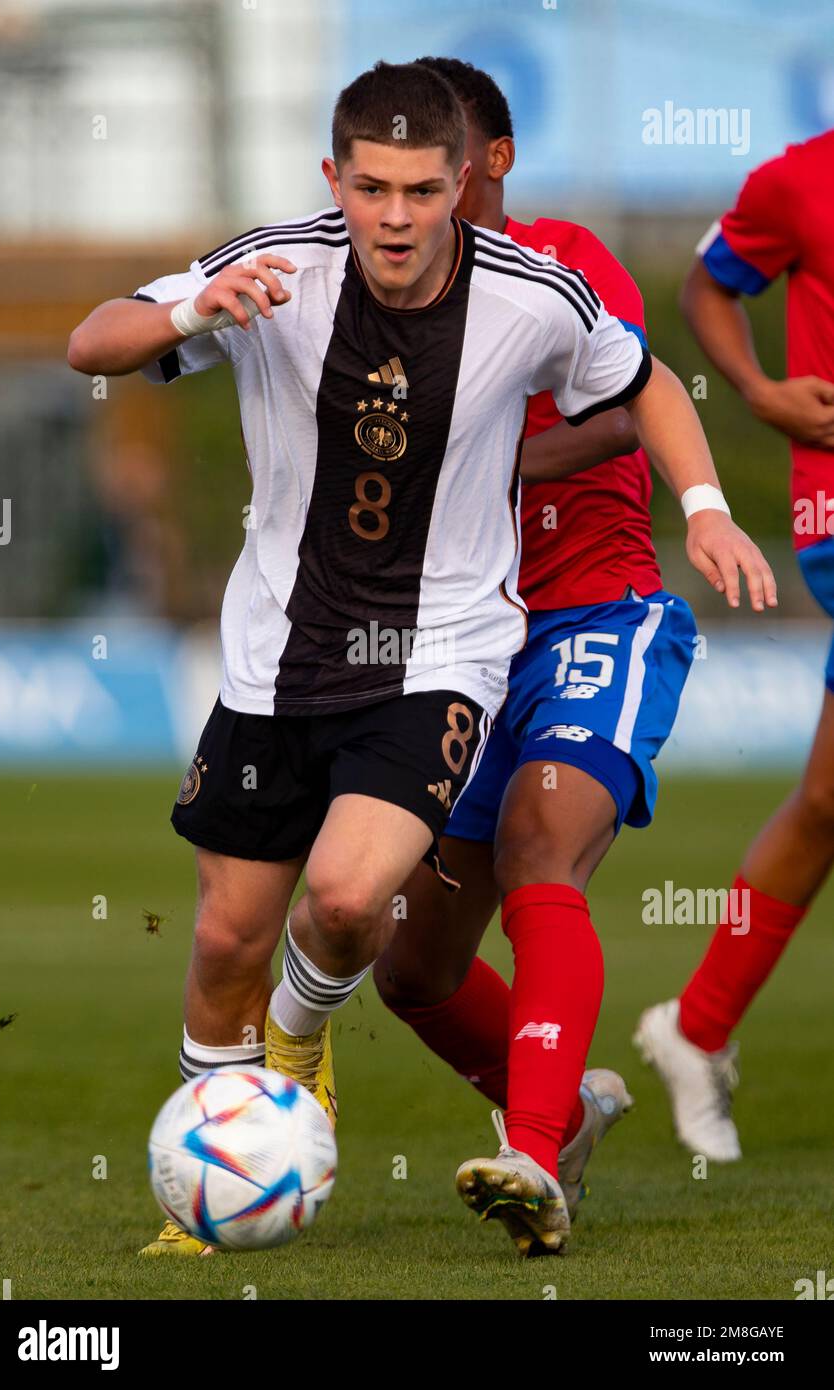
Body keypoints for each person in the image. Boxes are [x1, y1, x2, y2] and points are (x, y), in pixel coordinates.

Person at [67, 59, 771, 1259]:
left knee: (346, 900)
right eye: (372, 187)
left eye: (420, 189)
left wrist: (703, 504)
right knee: (227, 939)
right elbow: (94, 343)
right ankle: (211, 1179)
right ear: (333, 177)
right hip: (273, 654)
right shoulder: (276, 263)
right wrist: (193, 310)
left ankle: (298, 1050)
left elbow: (646, 384)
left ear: (465, 183)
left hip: (439, 653)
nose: (394, 215)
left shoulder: (529, 292)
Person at [372, 57, 778, 1257]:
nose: (417, 196)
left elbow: (621, 405)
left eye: (442, 160)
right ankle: (574, 1103)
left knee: (541, 839)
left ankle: (531, 1152)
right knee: (411, 965)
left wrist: (699, 504)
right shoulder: (380, 300)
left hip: (596, 613)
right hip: (463, 639)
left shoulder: (559, 257)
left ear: (484, 160)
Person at [635, 130, 834, 1163]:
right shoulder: (798, 180)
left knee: (824, 803)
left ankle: (694, 1028)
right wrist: (758, 391)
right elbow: (709, 287)